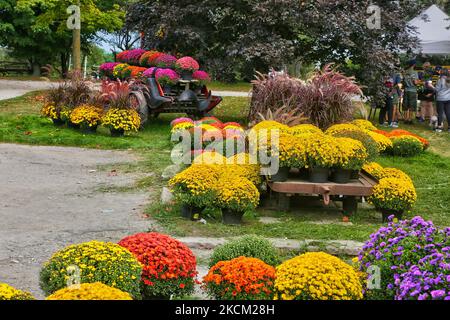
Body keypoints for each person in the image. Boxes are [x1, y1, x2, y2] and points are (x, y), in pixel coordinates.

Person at [402, 59, 419, 124]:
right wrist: (418, 82)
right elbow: (415, 82)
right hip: (412, 90)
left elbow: (403, 81)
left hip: (406, 90)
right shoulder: (415, 72)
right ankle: (410, 119)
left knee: (406, 104)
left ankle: (405, 118)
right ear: (414, 64)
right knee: (411, 105)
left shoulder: (405, 72)